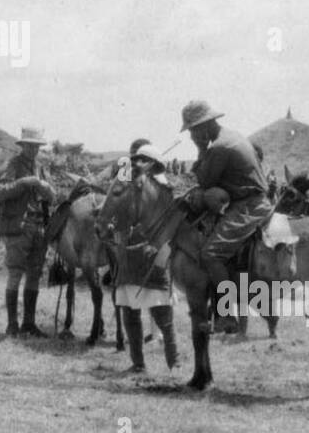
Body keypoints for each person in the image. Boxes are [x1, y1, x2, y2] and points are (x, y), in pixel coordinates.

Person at [178, 100, 273, 337]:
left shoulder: (220, 147)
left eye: (193, 130)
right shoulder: (232, 137)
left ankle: (225, 314)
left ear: (205, 127)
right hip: (249, 202)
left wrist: (200, 149)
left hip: (248, 207)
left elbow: (204, 181)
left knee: (210, 254)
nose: (192, 135)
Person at [115, 144, 179, 373]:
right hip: (129, 257)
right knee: (130, 313)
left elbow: (173, 228)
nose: (138, 164)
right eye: (136, 160)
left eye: (143, 160)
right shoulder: (127, 190)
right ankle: (138, 363)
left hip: (153, 256)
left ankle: (174, 362)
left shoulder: (166, 192)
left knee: (163, 314)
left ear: (153, 166)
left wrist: (164, 253)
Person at [0, 127, 56, 337]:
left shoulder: (40, 167)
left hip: (39, 226)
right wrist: (23, 182)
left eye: (36, 146)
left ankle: (29, 323)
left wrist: (47, 190)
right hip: (19, 227)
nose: (33, 150)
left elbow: (53, 197)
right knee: (15, 273)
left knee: (35, 275)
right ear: (22, 146)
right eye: (29, 146)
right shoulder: (12, 165)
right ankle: (12, 325)